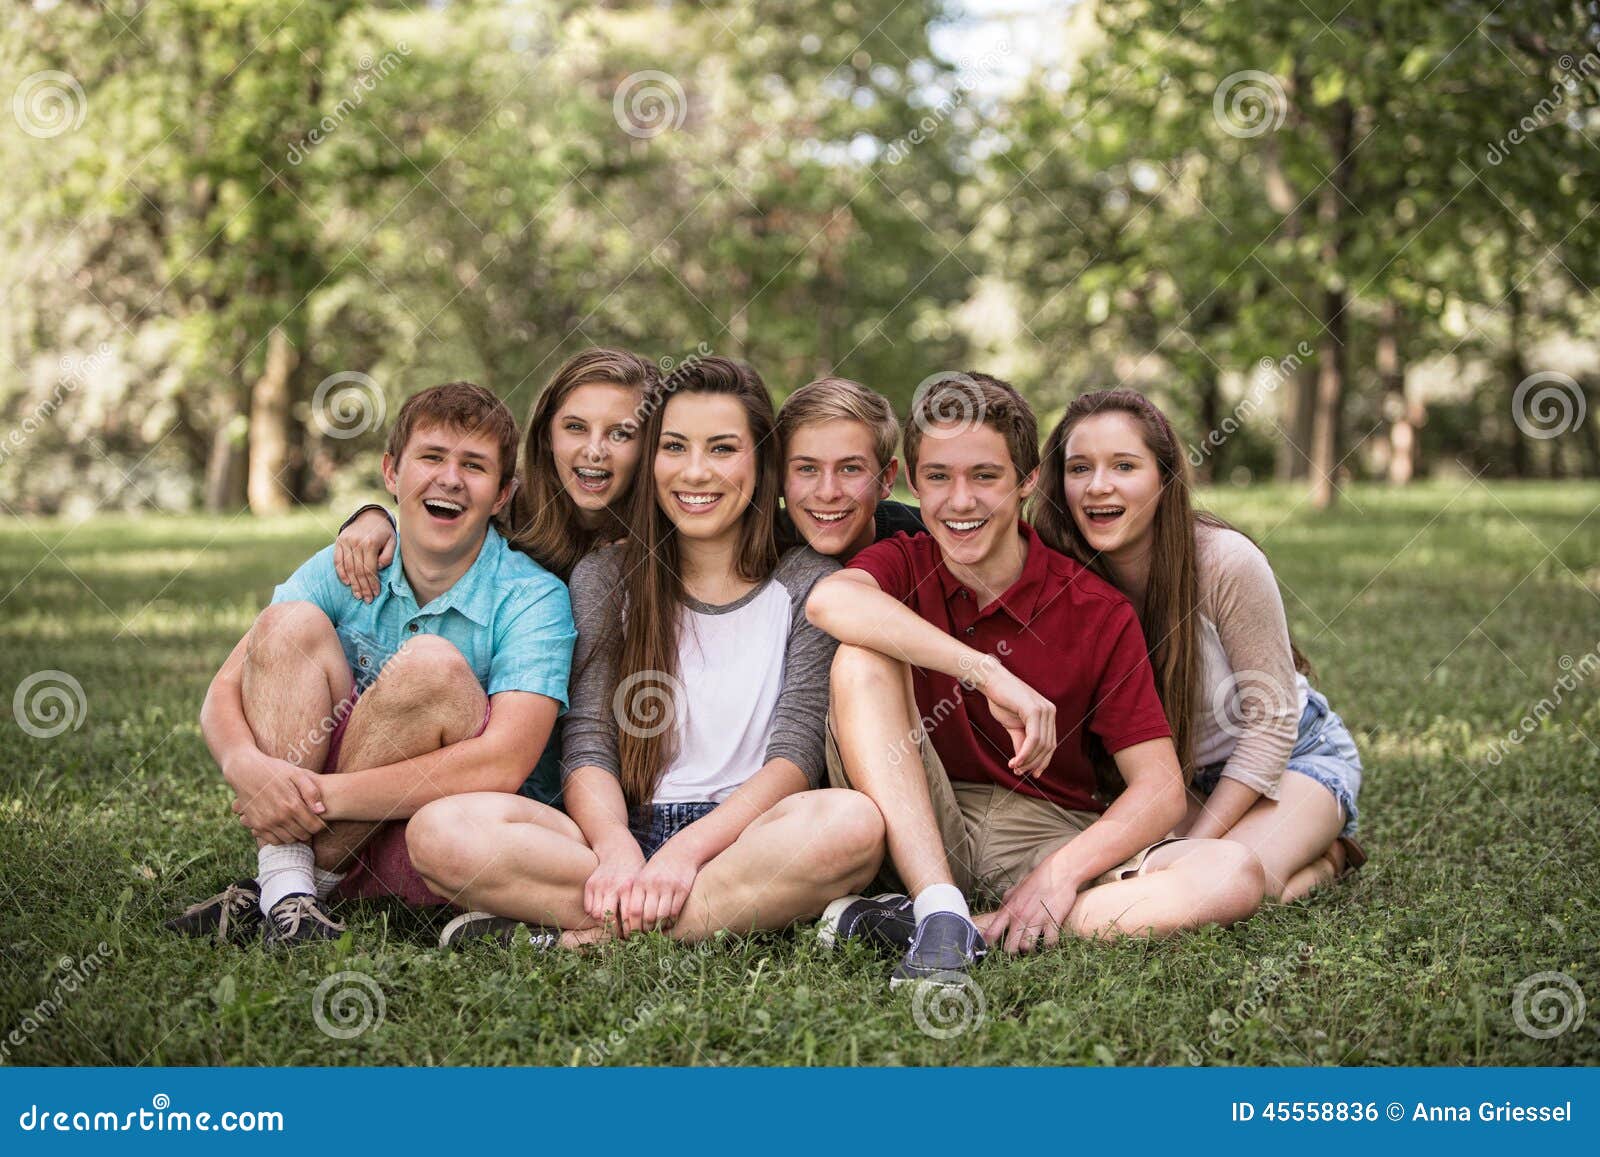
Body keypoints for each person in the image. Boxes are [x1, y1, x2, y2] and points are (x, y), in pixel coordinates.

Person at [406, 357, 885, 947]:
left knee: (852, 825)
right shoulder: (607, 576)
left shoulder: (808, 581)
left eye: (723, 449)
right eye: (675, 447)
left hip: (748, 838)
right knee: (440, 830)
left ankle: (585, 937)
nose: (696, 472)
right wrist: (615, 850)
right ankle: (695, 915)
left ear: (763, 463)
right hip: (618, 838)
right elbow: (588, 742)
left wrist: (685, 854)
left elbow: (795, 758)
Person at [807, 371, 1264, 988]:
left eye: (984, 476)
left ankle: (955, 928)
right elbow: (830, 602)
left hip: (1040, 831)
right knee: (860, 660)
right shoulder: (904, 561)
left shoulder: (1094, 610)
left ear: (1026, 480)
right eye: (938, 477)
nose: (959, 501)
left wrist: (1059, 874)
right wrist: (986, 672)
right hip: (913, 810)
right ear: (913, 482)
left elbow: (1160, 790)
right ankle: (939, 907)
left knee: (1231, 875)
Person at [165, 382, 576, 947]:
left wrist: (310, 795)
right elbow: (226, 688)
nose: (450, 478)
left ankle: (286, 884)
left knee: (430, 665)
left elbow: (503, 762)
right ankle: (290, 895)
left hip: (440, 838)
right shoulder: (347, 563)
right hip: (333, 825)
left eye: (474, 466)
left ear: (503, 494)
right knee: (286, 623)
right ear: (391, 473)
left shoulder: (533, 597)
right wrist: (249, 769)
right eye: (431, 457)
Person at [1032, 388, 1365, 902]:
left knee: (1239, 884)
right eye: (1080, 468)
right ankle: (1310, 851)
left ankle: (1331, 854)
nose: (1098, 486)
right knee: (1175, 882)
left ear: (1164, 478)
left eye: (1124, 466)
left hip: (1292, 759)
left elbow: (1273, 720)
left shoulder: (1224, 561)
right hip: (1180, 784)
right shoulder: (1062, 571)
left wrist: (1196, 848)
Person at [330, 348, 658, 807]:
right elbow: (436, 510)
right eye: (575, 427)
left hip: (604, 762)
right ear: (546, 435)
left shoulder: (662, 537)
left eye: (621, 433)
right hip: (485, 731)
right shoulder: (512, 505)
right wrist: (374, 516)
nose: (594, 450)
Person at [776, 375, 924, 558]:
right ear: (779, 476)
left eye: (850, 469)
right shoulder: (757, 545)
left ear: (886, 478)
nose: (828, 493)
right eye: (807, 469)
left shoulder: (932, 541)